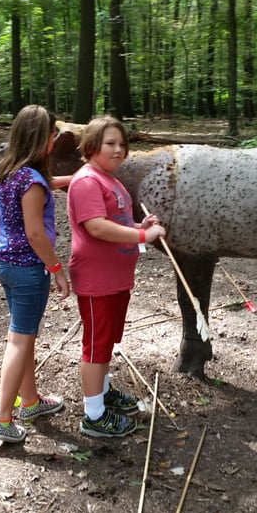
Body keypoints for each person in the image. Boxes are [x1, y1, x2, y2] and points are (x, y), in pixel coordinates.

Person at [66, 116, 166, 438]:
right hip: (97, 280)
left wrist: (139, 226)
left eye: (122, 144)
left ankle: (104, 392)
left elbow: (116, 223)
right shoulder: (87, 181)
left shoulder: (110, 181)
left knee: (107, 341)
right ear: (92, 145)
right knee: (96, 346)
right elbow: (96, 226)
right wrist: (143, 237)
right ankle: (93, 416)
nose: (118, 149)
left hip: (115, 279)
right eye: (110, 143)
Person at [0, 105, 70, 443]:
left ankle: (30, 402)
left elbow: (44, 185)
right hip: (26, 268)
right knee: (19, 341)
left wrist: (77, 178)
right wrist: (57, 269)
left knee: (24, 335)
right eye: (52, 135)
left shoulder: (6, 171)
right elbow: (35, 234)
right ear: (41, 138)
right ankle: (3, 419)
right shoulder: (32, 182)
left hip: (3, 262)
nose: (54, 140)